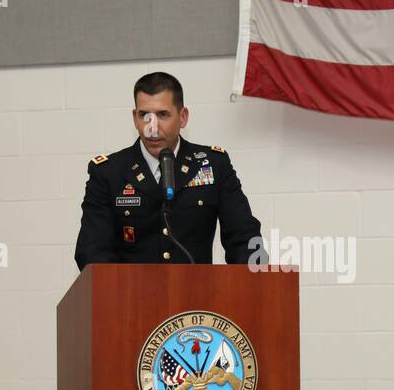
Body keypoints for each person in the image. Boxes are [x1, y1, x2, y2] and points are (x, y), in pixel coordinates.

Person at [73, 72, 266, 269]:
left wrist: (252, 284)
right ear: (134, 118)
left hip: (198, 297)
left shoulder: (213, 165)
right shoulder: (109, 172)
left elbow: (244, 237)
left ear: (183, 117)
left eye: (162, 115)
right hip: (132, 297)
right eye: (144, 115)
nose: (153, 128)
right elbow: (92, 251)